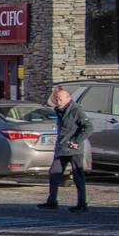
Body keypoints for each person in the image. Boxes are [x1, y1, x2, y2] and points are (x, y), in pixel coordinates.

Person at [38, 84, 93, 213]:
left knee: (78, 176)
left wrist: (77, 140)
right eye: (57, 99)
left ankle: (82, 203)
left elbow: (88, 127)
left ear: (68, 98)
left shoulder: (76, 110)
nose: (58, 101)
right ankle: (52, 201)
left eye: (60, 99)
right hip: (62, 148)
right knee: (54, 173)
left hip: (74, 149)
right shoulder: (59, 110)